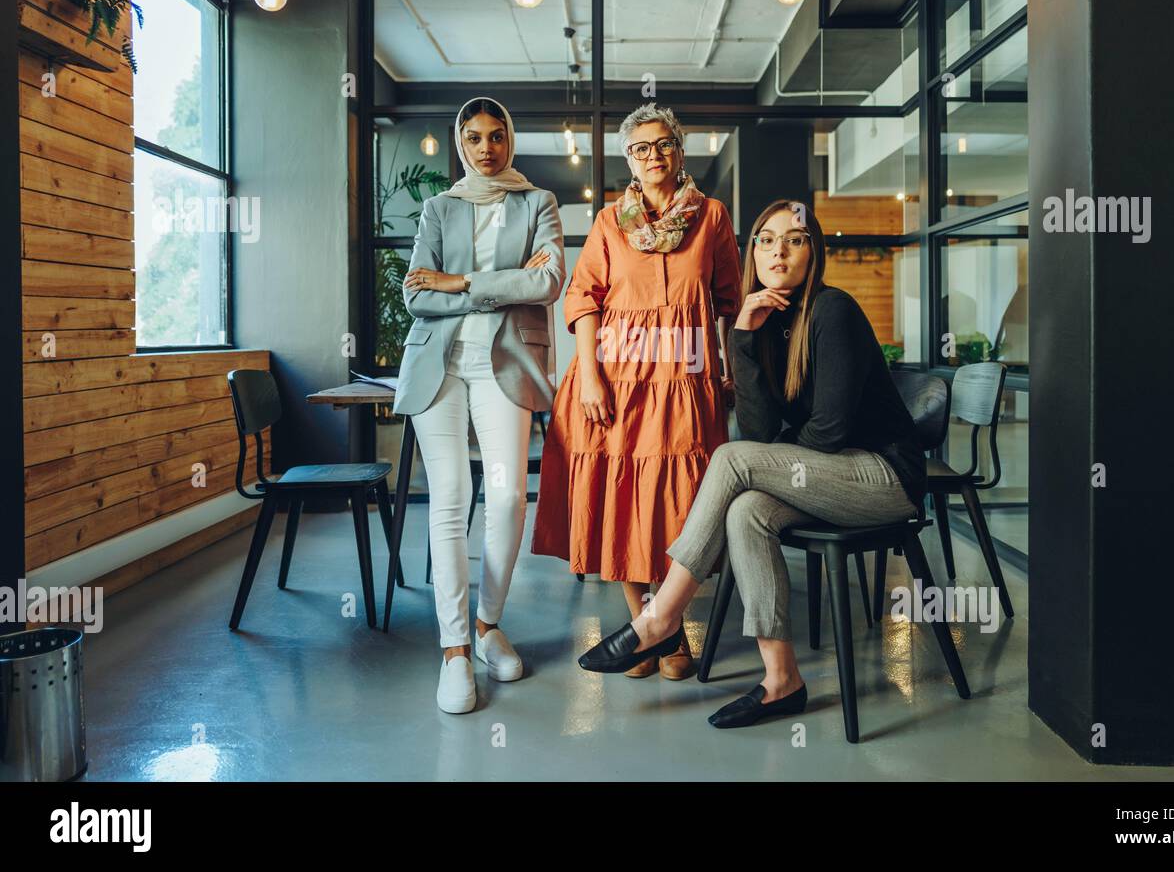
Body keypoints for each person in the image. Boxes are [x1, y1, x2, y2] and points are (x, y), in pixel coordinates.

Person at [576, 198, 927, 729]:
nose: (778, 250)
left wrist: (776, 447)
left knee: (731, 459)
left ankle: (663, 615)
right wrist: (741, 332)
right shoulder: (763, 322)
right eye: (765, 239)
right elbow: (761, 432)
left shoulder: (834, 310)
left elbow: (828, 432)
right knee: (746, 511)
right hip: (827, 477)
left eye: (795, 238)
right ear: (751, 253)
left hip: (882, 476)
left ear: (815, 252)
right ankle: (781, 679)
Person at [532, 103, 741, 681]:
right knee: (621, 498)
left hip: (686, 378)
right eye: (640, 148)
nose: (653, 155)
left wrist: (728, 369)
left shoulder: (713, 216)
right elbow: (583, 299)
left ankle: (667, 622)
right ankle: (644, 629)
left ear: (680, 149)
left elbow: (727, 300)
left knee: (682, 505)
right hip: (617, 380)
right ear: (629, 159)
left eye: (663, 144)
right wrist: (591, 373)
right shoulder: (608, 221)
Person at [393, 97, 565, 714]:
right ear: (460, 143)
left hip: (505, 364)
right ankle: (454, 650)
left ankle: (488, 624)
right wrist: (501, 286)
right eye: (473, 137)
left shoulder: (537, 203)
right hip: (439, 365)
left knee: (510, 497)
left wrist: (460, 283)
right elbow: (417, 296)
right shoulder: (439, 207)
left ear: (510, 139)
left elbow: (546, 284)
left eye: (496, 135)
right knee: (449, 500)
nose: (486, 148)